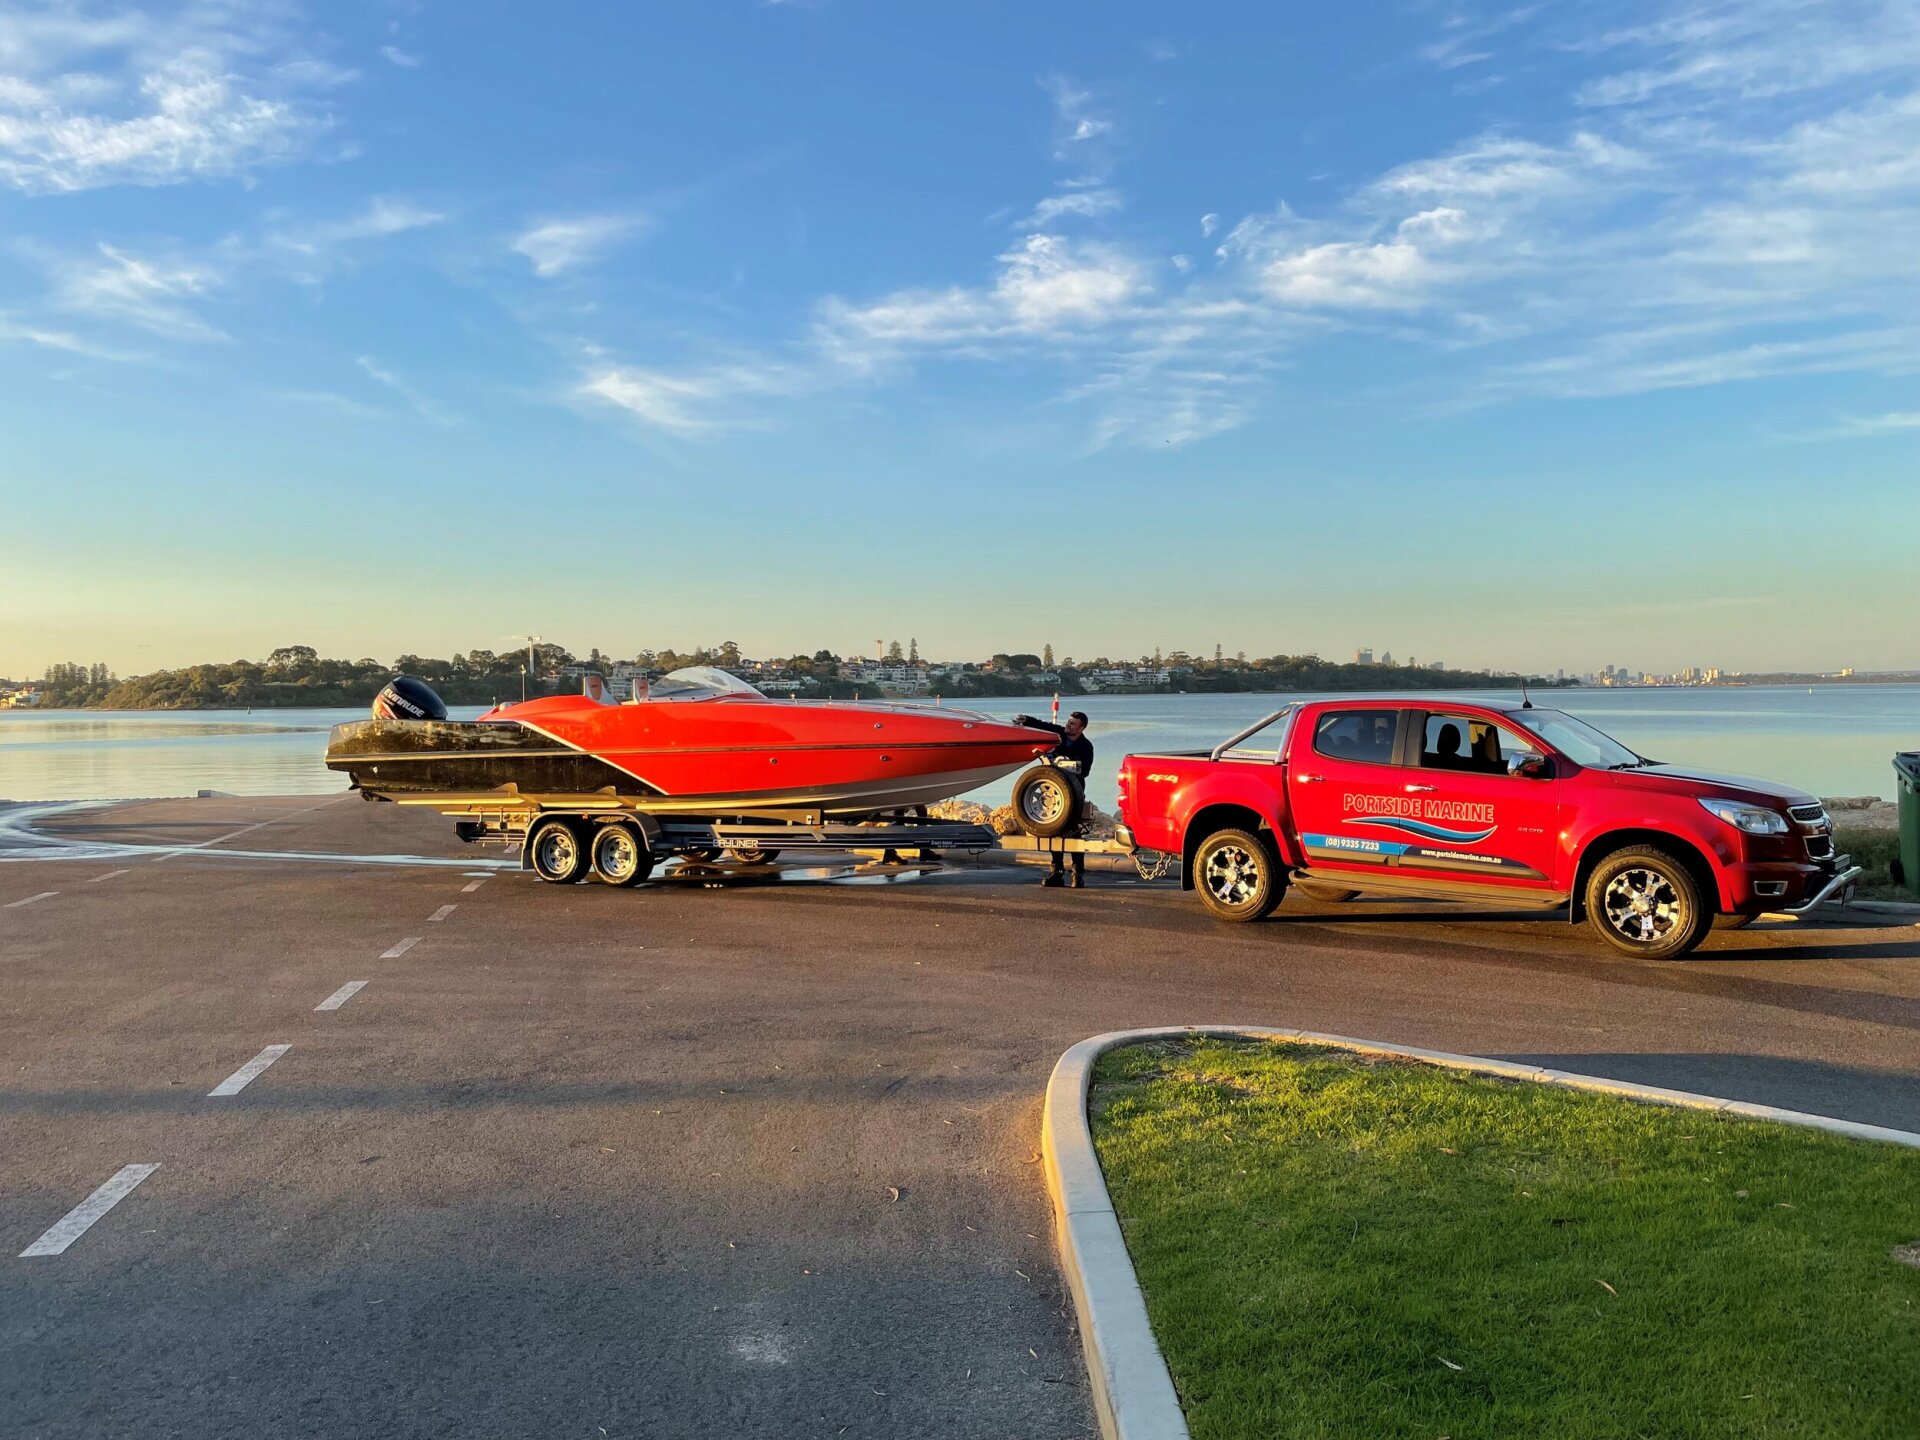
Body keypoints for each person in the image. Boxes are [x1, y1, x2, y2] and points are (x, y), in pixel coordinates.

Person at [1012, 710, 1094, 888]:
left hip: (1074, 791)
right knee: (1052, 828)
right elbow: (1043, 725)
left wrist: (1067, 764)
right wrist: (1026, 720)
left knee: (1074, 831)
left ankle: (1077, 873)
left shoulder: (1086, 746)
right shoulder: (1060, 734)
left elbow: (1085, 771)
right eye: (1069, 722)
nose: (1068, 725)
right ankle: (1056, 872)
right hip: (1051, 790)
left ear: (1081, 728)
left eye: (1072, 724)